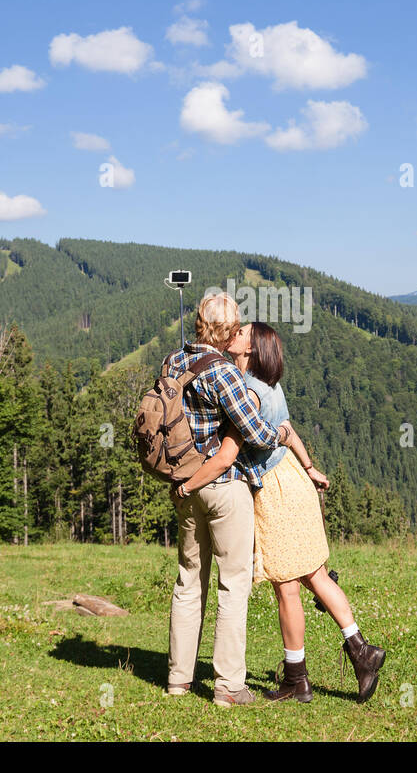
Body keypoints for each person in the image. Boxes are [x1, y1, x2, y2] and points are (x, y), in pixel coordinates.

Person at [175, 322, 387, 703]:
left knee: (287, 585)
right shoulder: (269, 385)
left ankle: (299, 679)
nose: (234, 334)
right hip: (291, 478)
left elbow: (228, 455)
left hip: (275, 489)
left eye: (241, 333)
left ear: (250, 349)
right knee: (313, 575)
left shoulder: (249, 393)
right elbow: (287, 430)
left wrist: (188, 485)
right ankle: (358, 651)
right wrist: (309, 468)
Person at [162, 293, 293, 708]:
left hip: (186, 486)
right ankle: (228, 686)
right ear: (228, 331)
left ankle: (178, 680)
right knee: (232, 585)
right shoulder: (224, 373)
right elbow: (254, 432)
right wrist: (282, 436)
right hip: (225, 485)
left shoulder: (172, 362)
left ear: (200, 323)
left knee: (188, 582)